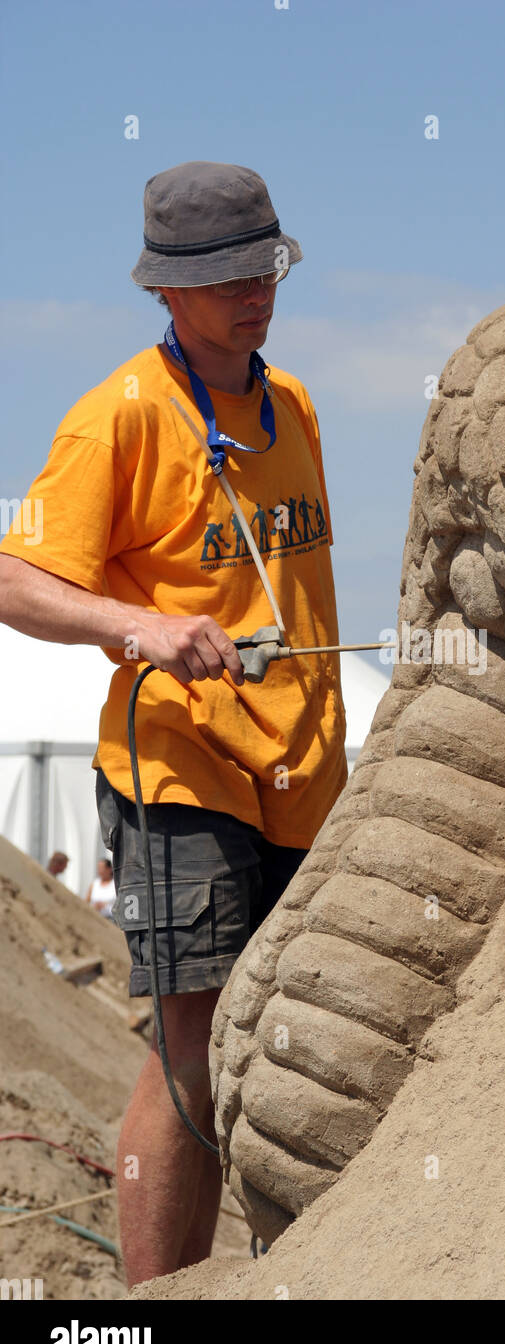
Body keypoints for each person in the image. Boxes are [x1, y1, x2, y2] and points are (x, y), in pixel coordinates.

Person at [0, 162, 348, 1286]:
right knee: (192, 1051)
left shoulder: (288, 404)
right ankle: (149, 1313)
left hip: (306, 776)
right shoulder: (118, 418)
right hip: (180, 770)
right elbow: (14, 578)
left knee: (296, 1053)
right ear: (166, 292)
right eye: (226, 275)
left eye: (263, 266)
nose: (253, 290)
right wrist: (135, 623)